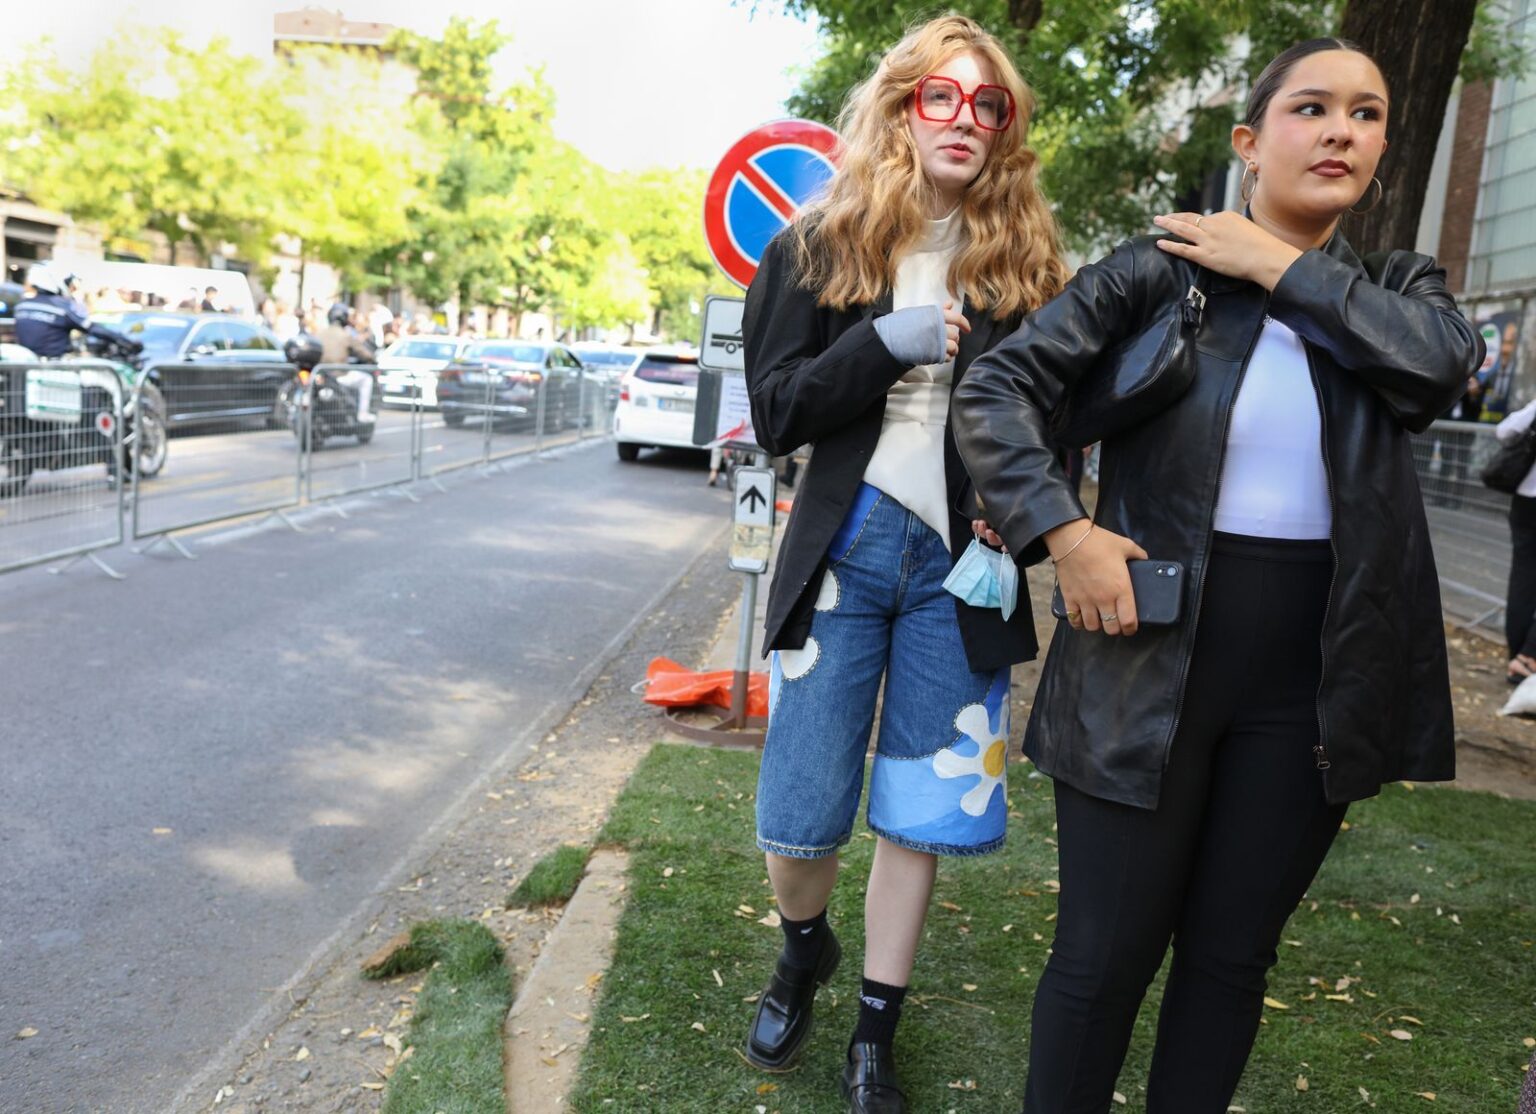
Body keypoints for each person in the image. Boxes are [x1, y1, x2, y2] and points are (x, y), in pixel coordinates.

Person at [951, 38, 1483, 1112]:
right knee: (1102, 963)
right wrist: (1065, 530)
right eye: (1314, 108)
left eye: (1369, 114)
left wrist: (1278, 266)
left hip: (1319, 672)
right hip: (1148, 656)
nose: (1344, 130)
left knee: (1232, 960)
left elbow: (1437, 365)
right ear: (1250, 141)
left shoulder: (1393, 289)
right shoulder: (1156, 269)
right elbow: (996, 388)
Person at [740, 15, 1067, 1112]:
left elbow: (1057, 422)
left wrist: (1016, 519)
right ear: (900, 106)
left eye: (990, 105)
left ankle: (876, 1027)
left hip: (960, 564)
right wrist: (887, 343)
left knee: (920, 805)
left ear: (1006, 130)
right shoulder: (814, 244)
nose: (965, 120)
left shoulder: (1026, 265)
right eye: (943, 97)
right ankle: (803, 947)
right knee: (799, 810)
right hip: (843, 545)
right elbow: (779, 411)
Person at [14, 262, 142, 359]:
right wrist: (126, 342)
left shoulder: (22, 305)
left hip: (27, 367)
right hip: (53, 370)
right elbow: (92, 328)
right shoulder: (61, 306)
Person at [1495, 395, 1536, 683]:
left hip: (1526, 499)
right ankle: (1528, 656)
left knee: (1522, 579)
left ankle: (1518, 656)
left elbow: (1504, 431)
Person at [318, 303, 376, 423]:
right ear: (343, 318)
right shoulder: (346, 336)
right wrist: (373, 359)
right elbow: (364, 353)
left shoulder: (319, 334)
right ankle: (362, 414)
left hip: (322, 376)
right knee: (366, 379)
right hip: (339, 377)